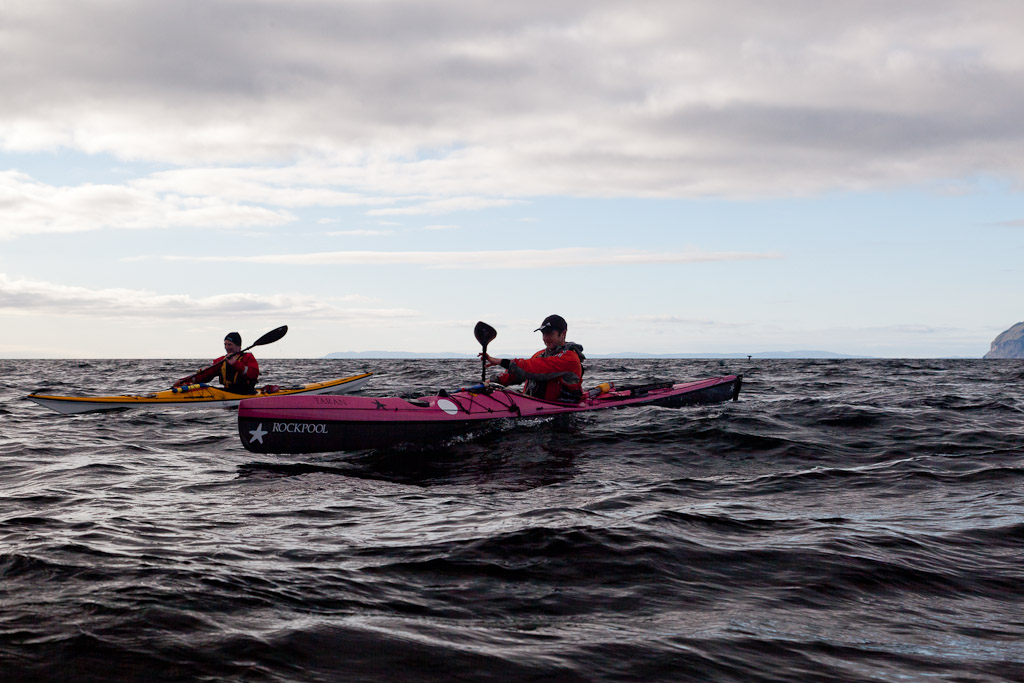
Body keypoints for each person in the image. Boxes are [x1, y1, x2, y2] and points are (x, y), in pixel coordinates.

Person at [481, 314, 585, 402]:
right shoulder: (540, 354)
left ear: (563, 334)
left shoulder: (570, 358)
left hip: (562, 413)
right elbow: (519, 373)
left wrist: (501, 362)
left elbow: (537, 368)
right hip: (536, 406)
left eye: (550, 334)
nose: (545, 338)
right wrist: (492, 381)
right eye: (543, 334)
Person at [173, 331, 260, 394]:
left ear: (238, 347)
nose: (226, 347)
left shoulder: (248, 357)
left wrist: (235, 363)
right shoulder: (222, 360)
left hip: (246, 393)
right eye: (225, 344)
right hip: (227, 392)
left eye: (229, 344)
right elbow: (206, 374)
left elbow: (253, 374)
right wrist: (185, 381)